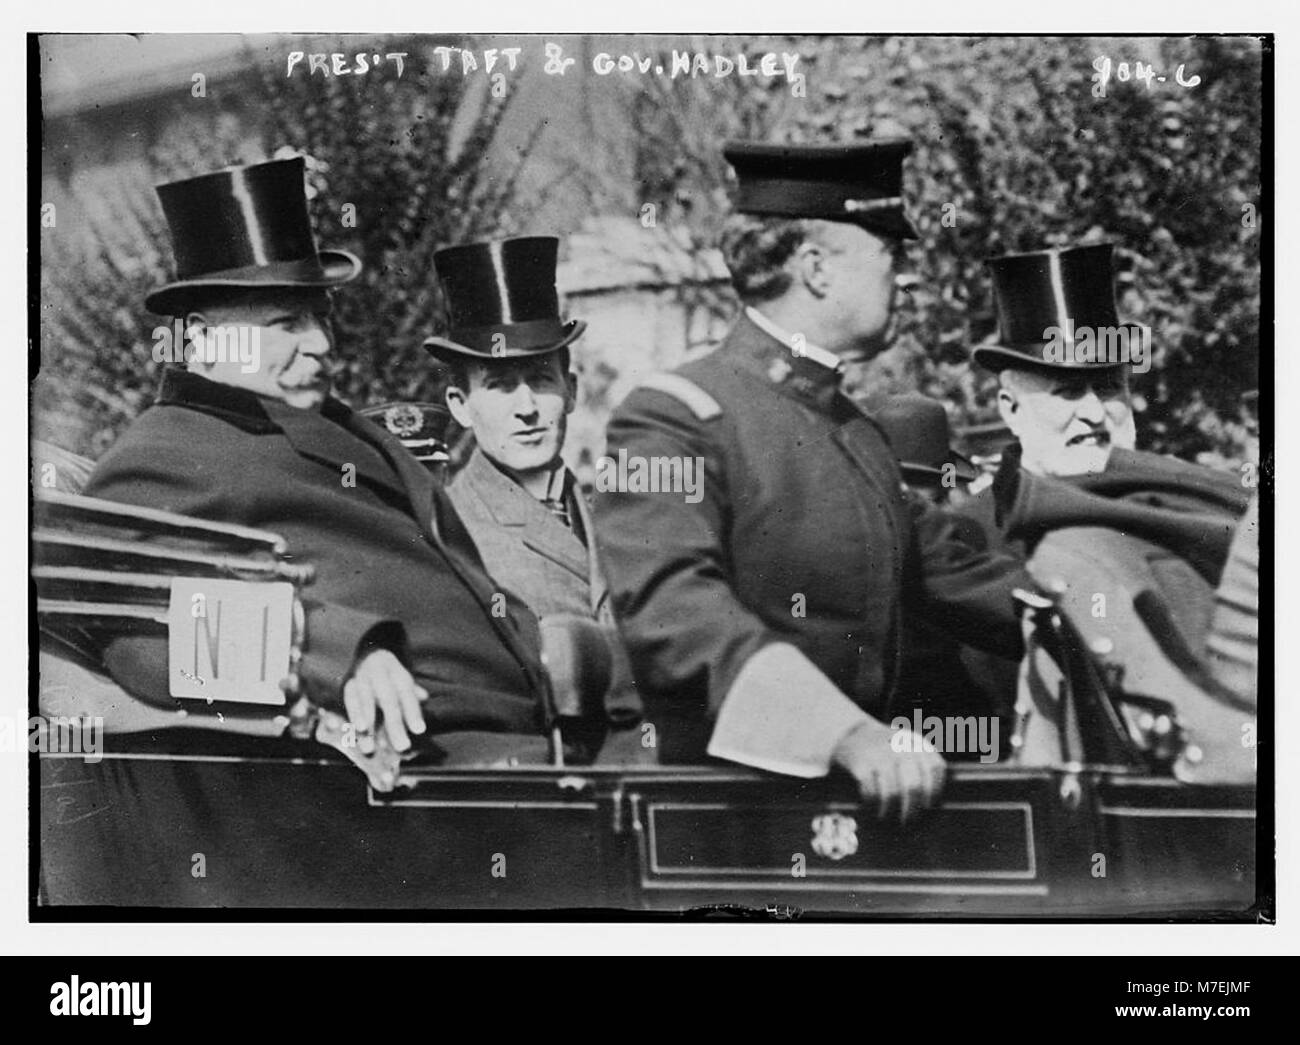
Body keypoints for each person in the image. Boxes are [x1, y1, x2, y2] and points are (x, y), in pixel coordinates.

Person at [595, 140, 1033, 819]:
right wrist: (845, 732)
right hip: (699, 809)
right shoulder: (674, 415)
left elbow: (958, 572)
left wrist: (1117, 616)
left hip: (844, 795)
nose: (908, 279)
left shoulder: (857, 433)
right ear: (817, 268)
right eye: (892, 254)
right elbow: (676, 613)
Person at [81, 157, 554, 763]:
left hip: (535, 725)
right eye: (288, 323)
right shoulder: (162, 454)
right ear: (203, 337)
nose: (322, 344)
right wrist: (330, 652)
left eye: (320, 318)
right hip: (420, 770)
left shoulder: (337, 425)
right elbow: (136, 625)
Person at [424, 236, 643, 760]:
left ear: (570, 389)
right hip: (539, 787)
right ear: (460, 404)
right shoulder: (448, 532)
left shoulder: (619, 515)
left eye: (540, 380)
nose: (527, 407)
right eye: (500, 385)